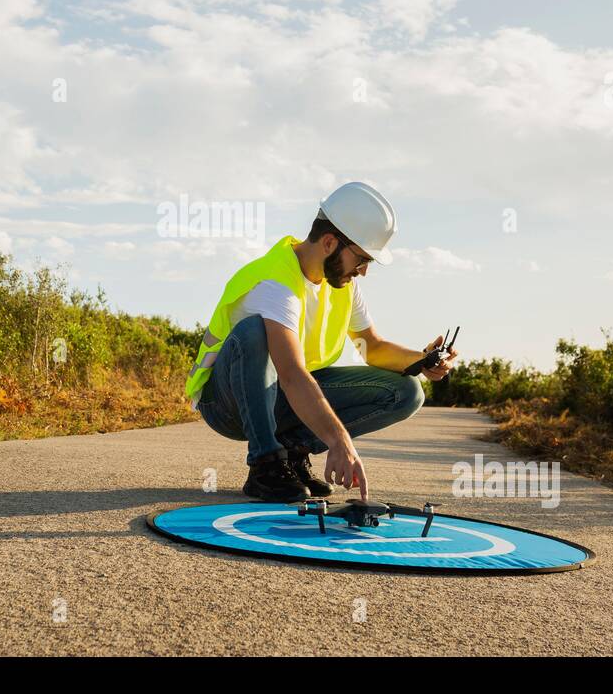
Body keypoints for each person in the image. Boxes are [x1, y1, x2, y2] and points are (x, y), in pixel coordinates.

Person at [186, 181, 457, 501]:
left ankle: (291, 451)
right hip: (228, 404)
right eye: (362, 259)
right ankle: (266, 463)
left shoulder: (342, 284)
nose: (364, 271)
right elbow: (292, 374)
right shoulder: (276, 282)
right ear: (330, 242)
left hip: (284, 395)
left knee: (406, 392)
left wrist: (421, 360)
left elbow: (373, 346)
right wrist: (339, 440)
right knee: (253, 332)